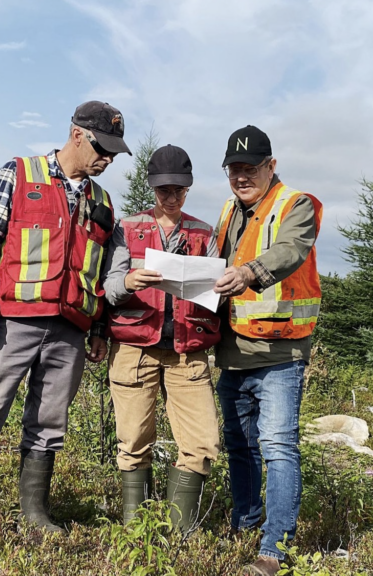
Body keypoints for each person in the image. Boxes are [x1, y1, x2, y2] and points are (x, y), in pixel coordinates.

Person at [0, 101, 131, 533]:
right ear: (77, 134)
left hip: (70, 330)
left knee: (49, 422)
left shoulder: (103, 201)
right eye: (102, 147)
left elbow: (99, 272)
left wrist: (97, 329)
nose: (108, 158)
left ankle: (35, 514)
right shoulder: (20, 173)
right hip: (12, 322)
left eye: (114, 151)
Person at [212, 125, 323, 575]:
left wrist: (249, 273)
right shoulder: (227, 210)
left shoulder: (296, 204)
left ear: (270, 166)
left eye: (250, 168)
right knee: (239, 446)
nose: (241, 177)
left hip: (279, 353)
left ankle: (273, 549)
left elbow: (292, 250)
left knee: (278, 447)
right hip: (233, 350)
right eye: (234, 169)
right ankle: (244, 522)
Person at [102, 144, 222, 530]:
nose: (171, 198)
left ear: (188, 188)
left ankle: (179, 535)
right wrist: (129, 281)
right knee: (133, 442)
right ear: (152, 188)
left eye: (179, 191)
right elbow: (108, 288)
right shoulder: (127, 229)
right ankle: (137, 534)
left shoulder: (205, 233)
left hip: (188, 352)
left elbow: (219, 294)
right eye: (163, 191)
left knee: (203, 444)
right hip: (135, 348)